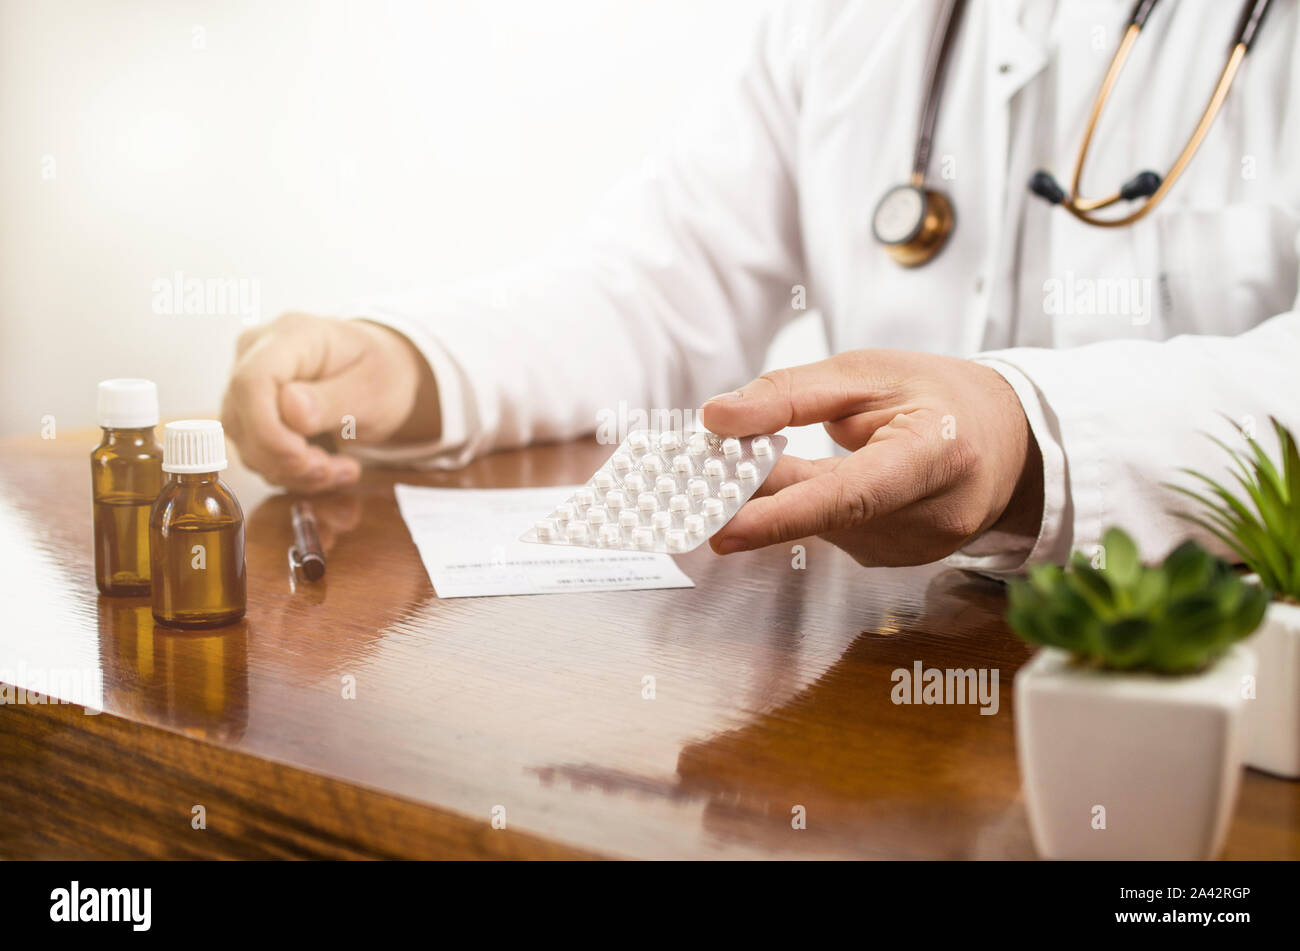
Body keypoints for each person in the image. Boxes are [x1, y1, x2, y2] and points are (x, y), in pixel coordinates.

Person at [222, 0, 1300, 573]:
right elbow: (659, 286)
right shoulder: (845, 20)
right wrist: (413, 364)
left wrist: (1026, 430)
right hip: (883, 682)